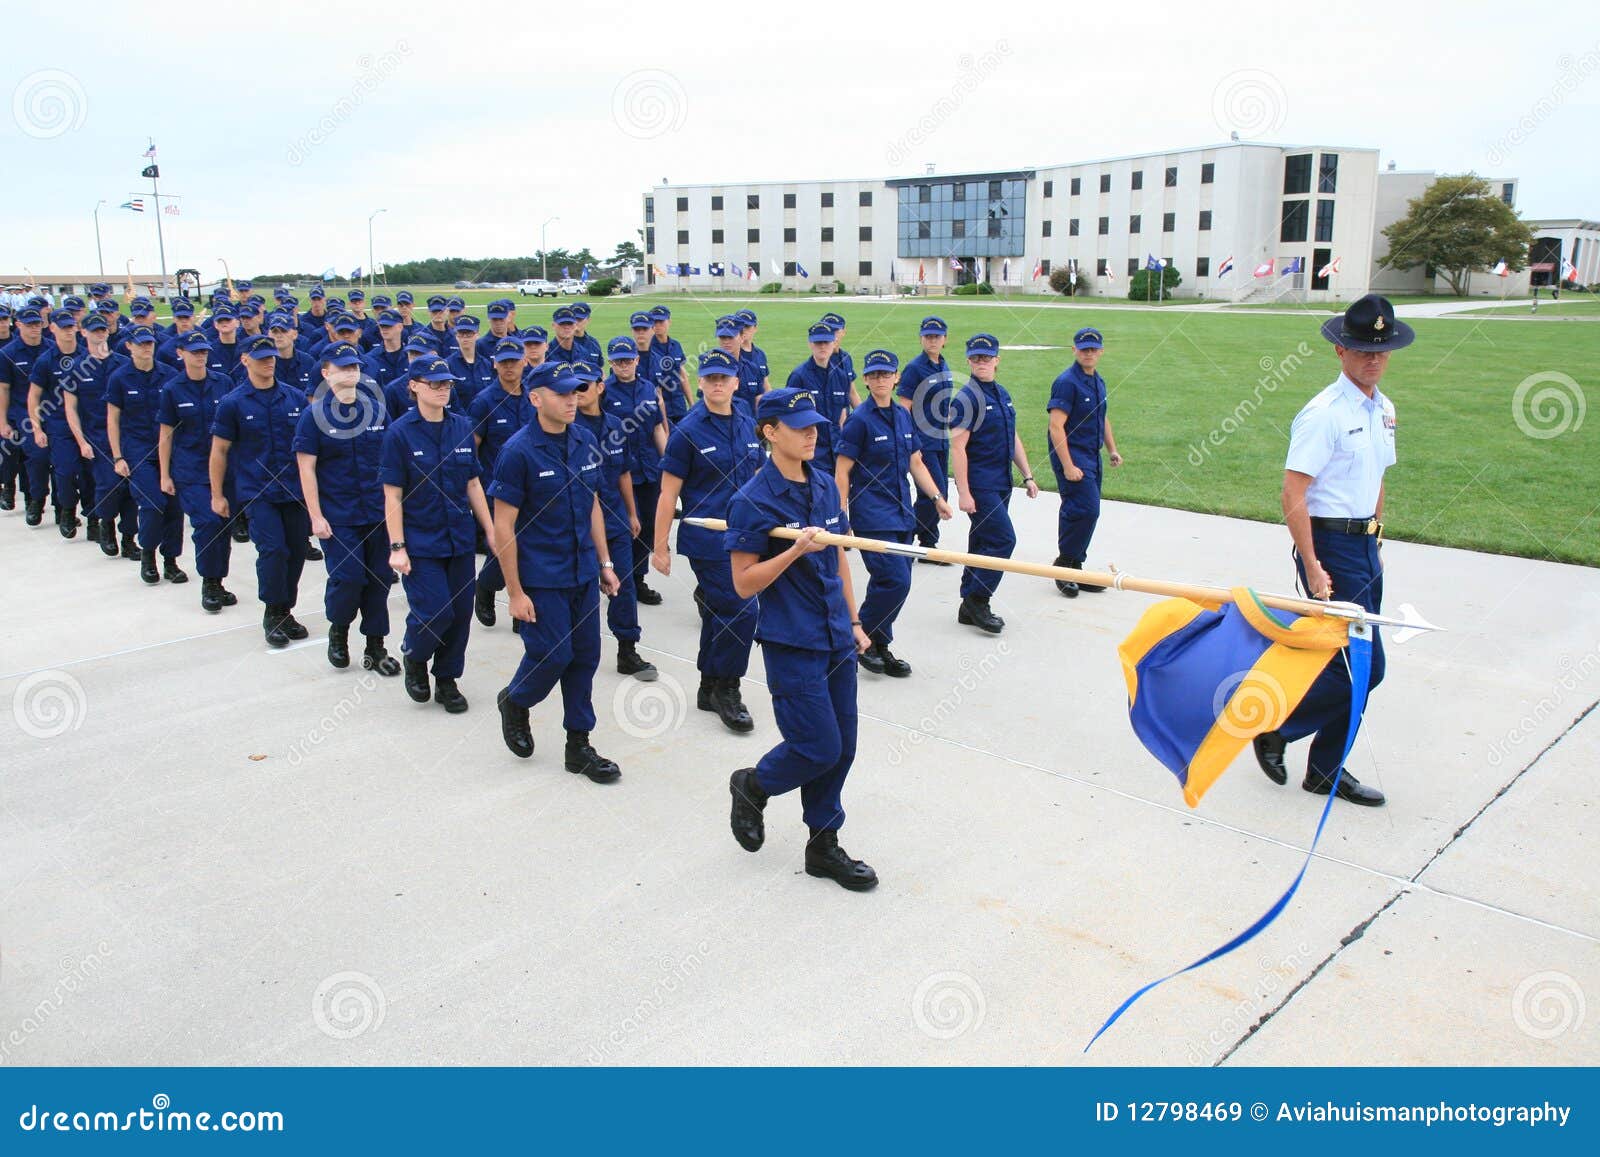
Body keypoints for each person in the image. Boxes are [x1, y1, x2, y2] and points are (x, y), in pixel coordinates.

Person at [1253, 294, 1406, 808]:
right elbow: (1293, 493)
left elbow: (1377, 476)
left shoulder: (1384, 409)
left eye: (1380, 351)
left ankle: (1325, 771)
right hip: (1330, 547)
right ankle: (1277, 729)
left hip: (1362, 546)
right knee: (1364, 667)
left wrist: (1376, 536)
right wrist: (1314, 565)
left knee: (1355, 664)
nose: (1373, 360)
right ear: (1341, 350)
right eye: (1362, 350)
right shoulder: (1324, 414)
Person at [725, 387, 877, 891]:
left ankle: (823, 845)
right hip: (792, 640)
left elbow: (838, 558)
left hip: (835, 634)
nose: (812, 433)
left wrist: (854, 622)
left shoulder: (825, 485)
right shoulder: (752, 501)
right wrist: (792, 552)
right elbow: (743, 582)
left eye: (814, 425)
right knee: (817, 745)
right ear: (770, 433)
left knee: (843, 747)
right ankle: (754, 784)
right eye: (799, 427)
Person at [489, 362, 623, 782]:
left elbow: (592, 503)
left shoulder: (584, 439)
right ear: (535, 398)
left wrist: (605, 563)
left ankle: (578, 746)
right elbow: (503, 526)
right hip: (541, 575)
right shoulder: (517, 452)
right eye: (561, 393)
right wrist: (514, 592)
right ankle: (516, 700)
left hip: (582, 570)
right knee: (553, 654)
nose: (572, 400)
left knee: (585, 657)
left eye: (575, 392)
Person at [654, 349, 764, 733]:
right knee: (744, 611)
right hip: (708, 540)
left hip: (745, 537)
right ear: (700, 383)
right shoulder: (687, 431)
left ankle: (708, 685)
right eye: (711, 378)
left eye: (724, 378)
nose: (718, 384)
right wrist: (660, 546)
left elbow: (760, 477)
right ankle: (728, 689)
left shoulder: (747, 422)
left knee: (721, 613)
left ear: (736, 383)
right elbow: (668, 494)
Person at [381, 357, 496, 713]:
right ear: (414, 386)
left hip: (458, 538)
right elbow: (392, 495)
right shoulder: (399, 433)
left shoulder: (462, 427)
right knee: (435, 611)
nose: (443, 389)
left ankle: (447, 679)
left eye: (447, 383)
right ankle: (415, 656)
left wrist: (491, 530)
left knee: (460, 614)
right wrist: (397, 546)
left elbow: (473, 483)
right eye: (434, 383)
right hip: (421, 541)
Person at [836, 349, 952, 676]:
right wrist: (841, 516)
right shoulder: (859, 421)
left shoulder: (902, 415)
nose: (880, 380)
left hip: (902, 513)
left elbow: (916, 462)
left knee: (896, 582)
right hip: (872, 514)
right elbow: (842, 471)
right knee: (894, 580)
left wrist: (937, 497)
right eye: (874, 375)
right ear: (866, 380)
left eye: (886, 374)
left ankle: (879, 644)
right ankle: (859, 639)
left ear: (896, 377)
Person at [294, 341, 402, 675]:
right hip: (338, 515)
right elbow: (306, 468)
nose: (350, 372)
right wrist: (315, 516)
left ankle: (375, 646)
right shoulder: (314, 417)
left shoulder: (377, 411)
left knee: (379, 579)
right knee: (349, 577)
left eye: (354, 367)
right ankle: (339, 630)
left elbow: (392, 463)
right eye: (342, 367)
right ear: (326, 373)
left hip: (376, 513)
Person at [210, 333, 312, 648]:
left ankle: (286, 609)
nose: (268, 362)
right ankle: (273, 612)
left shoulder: (295, 398)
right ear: (245, 361)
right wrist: (217, 494)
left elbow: (309, 448)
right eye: (261, 358)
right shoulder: (233, 403)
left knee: (296, 551)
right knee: (273, 550)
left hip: (294, 490)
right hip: (258, 491)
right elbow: (219, 451)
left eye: (271, 357)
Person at [949, 333, 1040, 635]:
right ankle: (978, 599)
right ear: (969, 361)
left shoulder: (1001, 393)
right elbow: (958, 448)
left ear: (997, 360)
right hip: (981, 485)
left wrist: (1027, 475)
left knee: (982, 541)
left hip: (1002, 482)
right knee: (1003, 540)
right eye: (976, 358)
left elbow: (1012, 436)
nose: (981, 362)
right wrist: (964, 492)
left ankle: (967, 605)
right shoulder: (966, 399)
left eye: (986, 357)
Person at [572, 358, 656, 680]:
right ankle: (573, 649)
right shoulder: (568, 428)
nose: (578, 392)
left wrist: (632, 512)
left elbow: (623, 472)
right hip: (578, 522)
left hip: (614, 517)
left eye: (584, 386)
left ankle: (627, 648)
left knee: (625, 585)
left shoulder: (616, 426)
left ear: (599, 387)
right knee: (579, 589)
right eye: (573, 387)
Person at [157, 330, 238, 612]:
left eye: (204, 351)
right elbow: (166, 434)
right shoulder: (172, 389)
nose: (201, 356)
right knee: (208, 523)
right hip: (190, 470)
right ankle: (209, 582)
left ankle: (218, 579)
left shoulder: (223, 383)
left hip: (225, 469)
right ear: (180, 353)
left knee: (224, 525)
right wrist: (164, 474)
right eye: (195, 351)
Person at [1046, 326, 1123, 597]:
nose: (1088, 353)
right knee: (1081, 509)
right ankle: (1064, 566)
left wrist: (1112, 449)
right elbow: (1056, 426)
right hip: (1072, 453)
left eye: (1093, 349)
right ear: (1074, 350)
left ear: (1101, 352)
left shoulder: (1097, 380)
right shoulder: (1067, 382)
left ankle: (1076, 567)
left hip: (1092, 454)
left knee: (1090, 511)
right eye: (1083, 349)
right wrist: (1068, 465)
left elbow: (1102, 417)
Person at [106, 326, 187, 584]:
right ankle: (148, 555)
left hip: (170, 448)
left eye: (149, 343)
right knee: (153, 503)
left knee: (173, 507)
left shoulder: (170, 375)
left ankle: (170, 560)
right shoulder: (120, 378)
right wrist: (118, 456)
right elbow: (113, 419)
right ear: (129, 346)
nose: (146, 348)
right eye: (140, 344)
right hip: (138, 450)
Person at [469, 338, 537, 628]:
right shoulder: (484, 401)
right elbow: (472, 448)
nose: (510, 367)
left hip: (532, 485)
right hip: (496, 488)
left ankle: (522, 610)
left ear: (524, 362)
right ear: (494, 364)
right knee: (506, 544)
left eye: (514, 360)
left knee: (528, 547)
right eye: (504, 361)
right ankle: (486, 585)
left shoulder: (534, 397)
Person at [603, 333, 668, 608]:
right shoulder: (604, 391)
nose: (624, 365)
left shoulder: (648, 388)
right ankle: (619, 577)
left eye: (628, 360)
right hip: (618, 471)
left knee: (649, 525)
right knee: (624, 527)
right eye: (618, 361)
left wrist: (669, 462)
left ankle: (637, 578)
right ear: (610, 363)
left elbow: (657, 427)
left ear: (637, 360)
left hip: (649, 468)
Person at [895, 316, 954, 558]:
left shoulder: (943, 365)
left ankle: (927, 541)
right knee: (933, 493)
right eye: (928, 336)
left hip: (941, 440)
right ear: (921, 339)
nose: (932, 341)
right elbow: (904, 408)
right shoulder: (914, 369)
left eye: (937, 337)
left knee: (938, 493)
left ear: (945, 339)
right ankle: (909, 538)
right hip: (922, 441)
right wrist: (910, 442)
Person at [0, 304, 49, 517]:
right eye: (29, 325)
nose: (34, 328)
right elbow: (3, 389)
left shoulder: (50, 348)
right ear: (19, 325)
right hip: (20, 412)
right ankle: (18, 490)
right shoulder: (8, 353)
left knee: (45, 460)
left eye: (37, 323)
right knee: (24, 455)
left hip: (50, 410)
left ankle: (43, 501)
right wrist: (3, 420)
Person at [785, 321, 851, 475]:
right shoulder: (799, 376)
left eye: (826, 342)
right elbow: (790, 418)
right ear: (810, 344)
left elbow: (842, 417)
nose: (822, 347)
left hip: (836, 453)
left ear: (834, 343)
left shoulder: (841, 376)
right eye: (818, 342)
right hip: (811, 454)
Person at [648, 304, 692, 422]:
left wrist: (691, 404)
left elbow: (682, 376)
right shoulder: (647, 348)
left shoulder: (676, 345)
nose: (657, 325)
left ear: (669, 322)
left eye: (661, 321)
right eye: (654, 322)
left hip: (679, 405)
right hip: (660, 408)